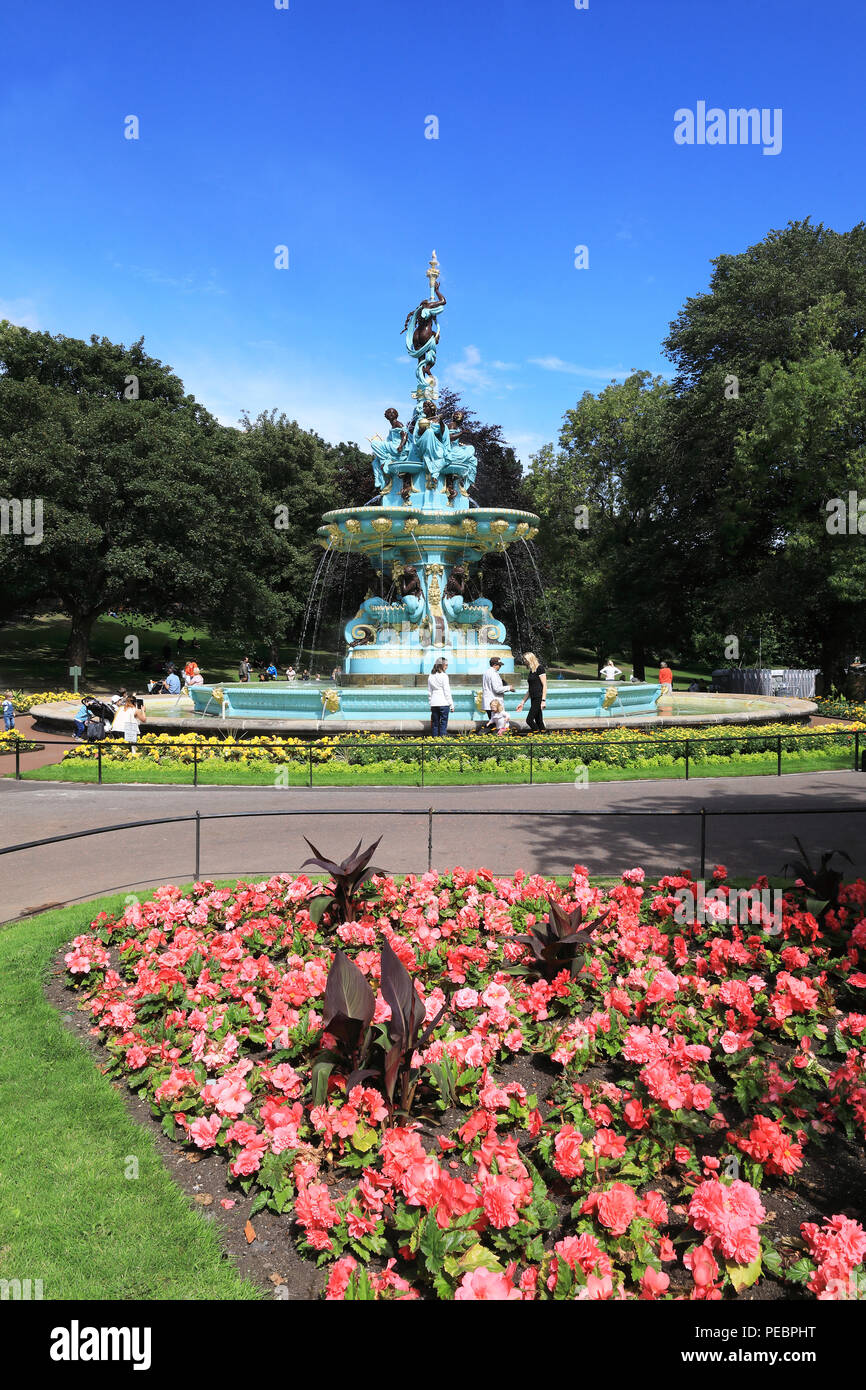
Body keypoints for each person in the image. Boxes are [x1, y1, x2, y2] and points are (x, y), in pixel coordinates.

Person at [516, 652, 547, 732]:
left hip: (538, 698)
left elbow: (545, 686)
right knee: (539, 721)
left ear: (530, 659)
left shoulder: (540, 668)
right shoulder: (531, 671)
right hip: (533, 698)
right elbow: (530, 689)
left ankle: (536, 734)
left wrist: (543, 701)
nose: (524, 661)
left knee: (529, 720)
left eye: (525, 660)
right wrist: (522, 702)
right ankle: (544, 738)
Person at [428, 658, 454, 736]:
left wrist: (430, 702)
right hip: (443, 703)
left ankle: (434, 741)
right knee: (443, 723)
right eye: (446, 665)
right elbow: (447, 692)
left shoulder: (430, 676)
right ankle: (442, 742)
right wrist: (451, 704)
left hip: (434, 703)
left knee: (435, 724)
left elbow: (429, 692)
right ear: (441, 665)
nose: (447, 667)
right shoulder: (444, 676)